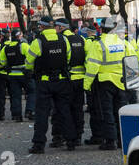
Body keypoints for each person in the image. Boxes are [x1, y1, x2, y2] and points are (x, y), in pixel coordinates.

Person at [26, 16, 74, 154]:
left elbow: (29, 62)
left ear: (41, 26)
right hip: (62, 80)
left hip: (44, 82)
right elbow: (68, 58)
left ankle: (39, 145)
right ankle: (70, 141)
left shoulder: (38, 42)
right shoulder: (64, 39)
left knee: (42, 113)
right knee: (64, 111)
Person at [88, 17, 133, 150]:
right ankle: (121, 141)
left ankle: (110, 141)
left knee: (107, 112)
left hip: (105, 82)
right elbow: (132, 61)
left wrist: (87, 85)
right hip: (121, 82)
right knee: (120, 112)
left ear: (101, 29)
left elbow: (92, 67)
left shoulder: (98, 44)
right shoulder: (124, 43)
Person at [59, 19, 87, 147]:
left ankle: (69, 138)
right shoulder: (81, 39)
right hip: (80, 79)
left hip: (67, 79)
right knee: (78, 109)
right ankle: (79, 136)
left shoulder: (62, 40)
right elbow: (87, 58)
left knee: (66, 110)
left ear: (61, 27)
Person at [0, 30, 29, 121]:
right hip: (12, 74)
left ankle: (0, 115)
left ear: (1, 36)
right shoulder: (17, 45)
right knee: (14, 95)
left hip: (1, 74)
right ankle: (14, 114)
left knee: (0, 96)